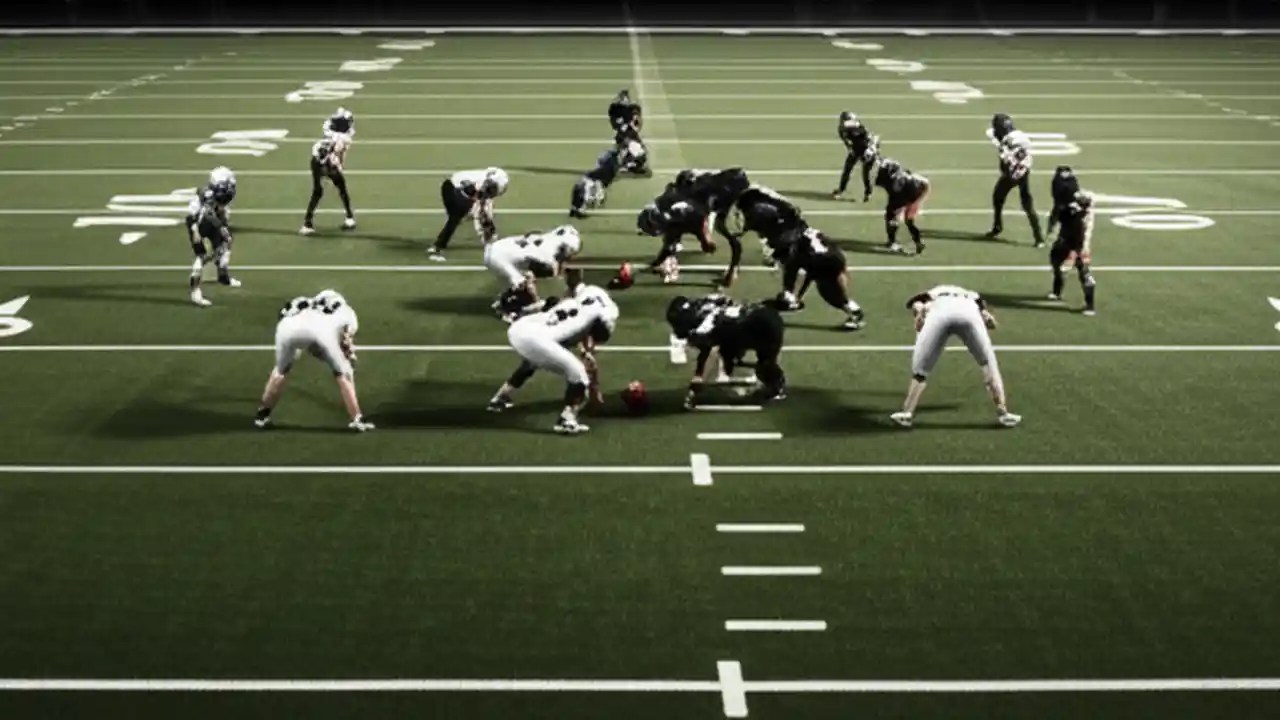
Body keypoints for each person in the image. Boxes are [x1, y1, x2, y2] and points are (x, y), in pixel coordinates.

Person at [487, 270, 620, 435]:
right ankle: (567, 419)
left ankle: (500, 398)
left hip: (521, 328)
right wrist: (587, 353)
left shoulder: (587, 293)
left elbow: (573, 287)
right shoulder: (610, 311)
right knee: (579, 376)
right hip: (537, 338)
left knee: (532, 362)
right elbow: (600, 333)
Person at [890, 284, 1020, 429]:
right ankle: (1003, 411)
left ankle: (907, 413)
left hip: (940, 314)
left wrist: (919, 317)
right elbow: (990, 321)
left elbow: (918, 307)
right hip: (969, 314)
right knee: (988, 363)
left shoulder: (932, 294)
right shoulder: (973, 296)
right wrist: (989, 321)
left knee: (920, 372)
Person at [254, 290, 374, 432]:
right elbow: (346, 342)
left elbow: (283, 314)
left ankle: (262, 415)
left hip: (287, 327)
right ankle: (357, 418)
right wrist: (349, 357)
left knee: (281, 371)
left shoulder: (305, 301)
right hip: (320, 332)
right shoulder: (347, 312)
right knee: (344, 373)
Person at [984, 113, 1045, 246]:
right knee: (1022, 202)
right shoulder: (1019, 137)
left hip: (1015, 172)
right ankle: (1038, 237)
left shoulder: (1007, 145)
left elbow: (1005, 165)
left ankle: (1038, 236)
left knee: (1013, 200)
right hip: (1023, 170)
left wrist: (1011, 170)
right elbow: (1027, 153)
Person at [428, 167, 509, 261]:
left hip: (452, 186)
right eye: (494, 188)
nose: (493, 192)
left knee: (458, 217)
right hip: (454, 188)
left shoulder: (483, 179)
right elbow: (478, 202)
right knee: (458, 216)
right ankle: (437, 247)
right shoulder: (480, 183)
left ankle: (438, 245)